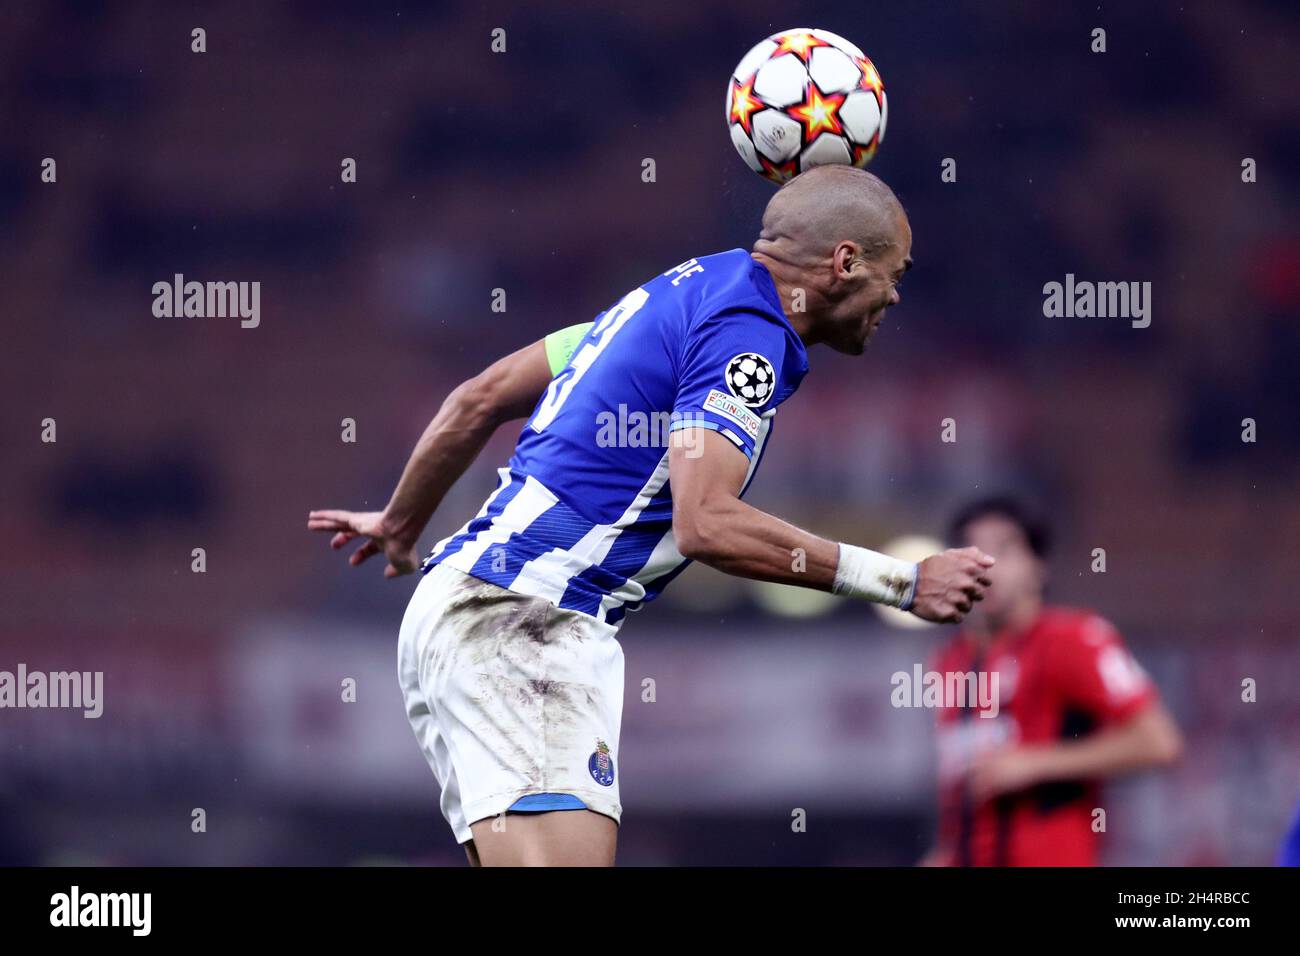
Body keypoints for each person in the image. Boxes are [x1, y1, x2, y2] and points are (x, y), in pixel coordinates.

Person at [309, 165, 994, 866]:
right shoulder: (747, 336)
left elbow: (477, 398)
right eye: (893, 271)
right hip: (527, 624)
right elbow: (706, 522)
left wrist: (401, 522)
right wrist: (901, 583)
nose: (896, 293)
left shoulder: (665, 298)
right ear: (845, 262)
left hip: (467, 607)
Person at [922, 497, 1183, 866]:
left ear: (1038, 566)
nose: (987, 566)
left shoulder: (1074, 639)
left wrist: (1036, 763)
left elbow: (1159, 741)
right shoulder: (949, 661)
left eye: (1004, 549)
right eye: (973, 552)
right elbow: (962, 799)